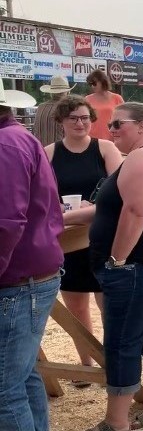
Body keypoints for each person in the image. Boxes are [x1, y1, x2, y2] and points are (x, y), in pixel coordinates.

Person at [83, 102, 143, 431]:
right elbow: (108, 209)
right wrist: (62, 218)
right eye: (110, 125)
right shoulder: (142, 157)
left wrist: (117, 260)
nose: (111, 130)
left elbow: (137, 211)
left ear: (141, 126)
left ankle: (116, 421)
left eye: (117, 124)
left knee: (122, 341)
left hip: (138, 266)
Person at [44, 95, 123, 387]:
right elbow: (42, 192)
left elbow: (120, 188)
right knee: (76, 308)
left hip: (102, 236)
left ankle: (114, 365)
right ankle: (86, 366)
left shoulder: (105, 148)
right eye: (73, 118)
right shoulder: (49, 152)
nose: (80, 123)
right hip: (67, 238)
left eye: (85, 117)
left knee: (109, 307)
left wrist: (94, 205)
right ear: (61, 122)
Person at [0, 82, 63, 431]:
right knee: (21, 377)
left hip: (15, 278)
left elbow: (6, 223)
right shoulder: (15, 139)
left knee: (5, 389)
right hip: (28, 274)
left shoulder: (5, 144)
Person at [33, 74, 75, 145]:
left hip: (40, 149)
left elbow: (35, 130)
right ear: (67, 92)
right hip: (59, 149)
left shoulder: (40, 107)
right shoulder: (66, 108)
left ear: (51, 93)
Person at [85, 69, 124, 141]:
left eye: (94, 83)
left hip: (112, 137)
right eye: (90, 84)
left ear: (102, 81)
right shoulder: (87, 99)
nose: (92, 86)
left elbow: (124, 118)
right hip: (92, 138)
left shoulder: (117, 98)